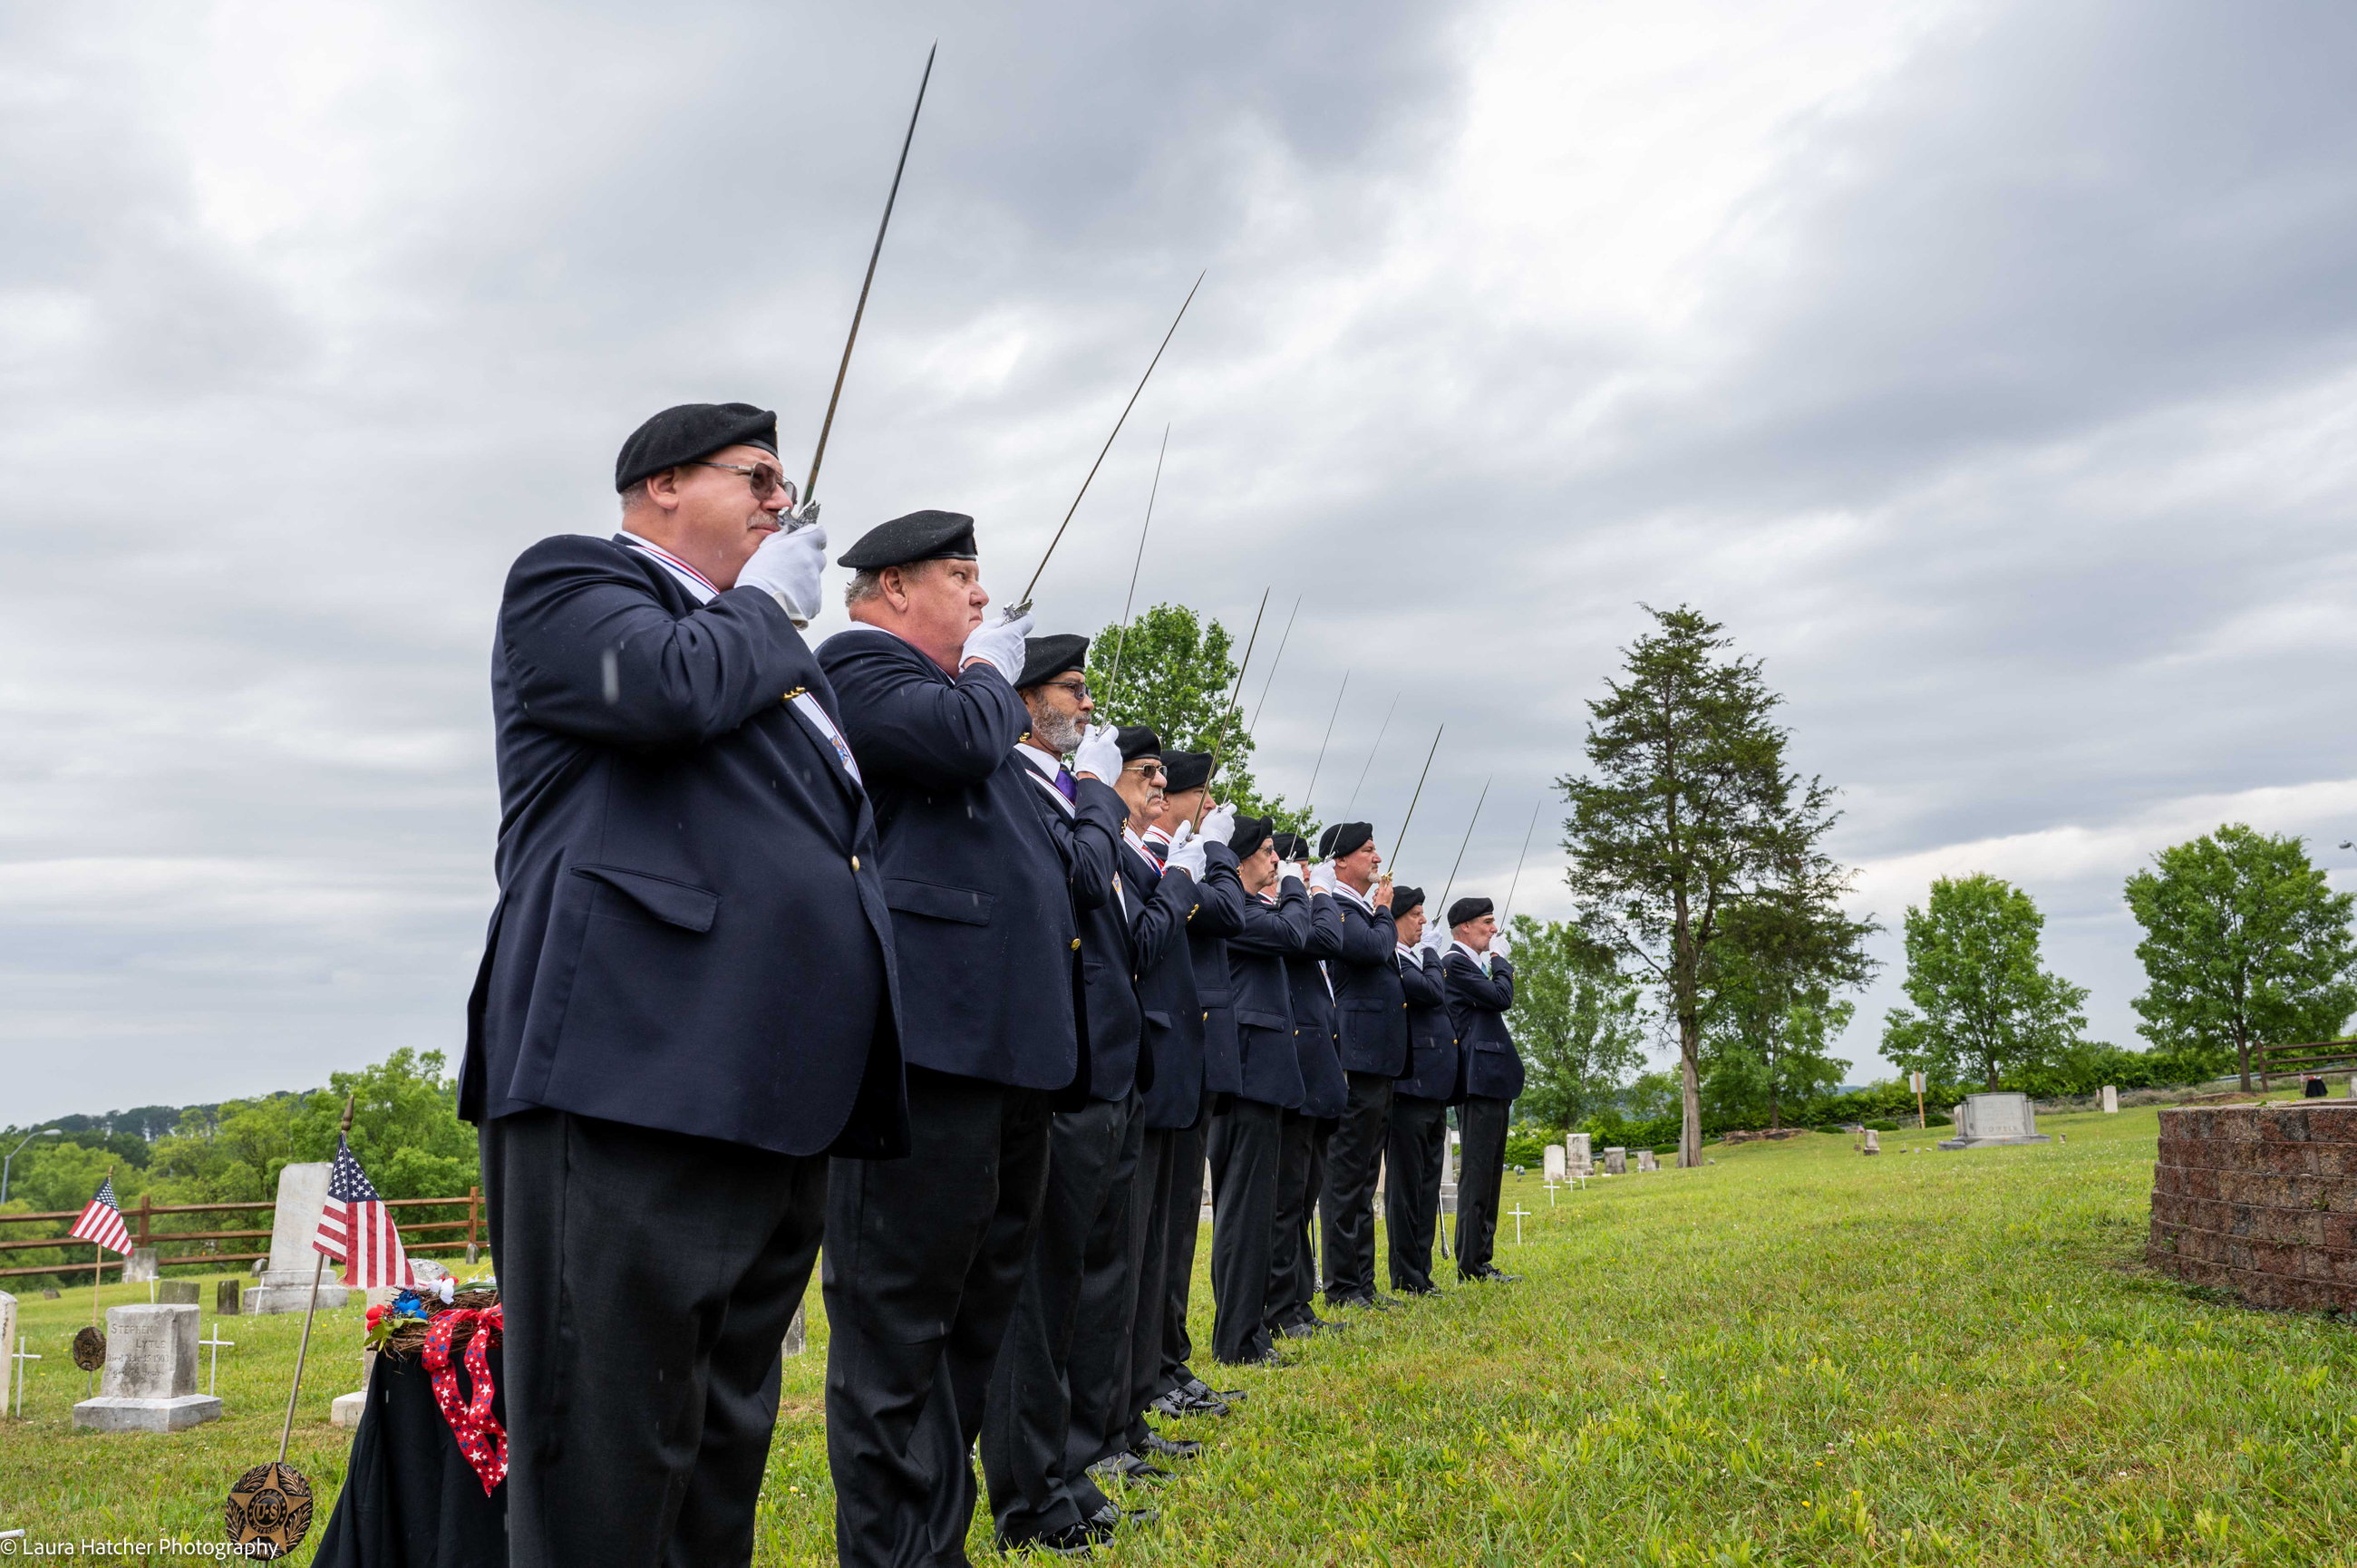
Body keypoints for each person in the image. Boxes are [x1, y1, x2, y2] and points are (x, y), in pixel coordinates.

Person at [464, 402, 902, 1568]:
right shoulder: (575, 582)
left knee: (719, 1433)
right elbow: (657, 689)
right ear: (662, 483)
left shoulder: (768, 653)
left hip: (764, 1084)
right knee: (608, 1448)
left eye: (785, 487)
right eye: (758, 477)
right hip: (628, 1066)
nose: (781, 504)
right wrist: (764, 604)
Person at [814, 509, 1080, 1568]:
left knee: (973, 1318)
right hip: (925, 1051)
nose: (981, 596)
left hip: (1003, 1054)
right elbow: (965, 735)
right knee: (897, 1328)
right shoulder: (858, 668)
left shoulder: (963, 704)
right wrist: (989, 671)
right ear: (887, 588)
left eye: (981, 579)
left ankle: (935, 1541)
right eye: (959, 575)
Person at [981, 638, 1181, 1553]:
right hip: (1059, 1073)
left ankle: (1082, 1454)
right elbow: (1073, 886)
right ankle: (1033, 1485)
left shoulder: (1066, 796)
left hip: (1108, 1067)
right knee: (1041, 1293)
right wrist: (1101, 799)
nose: (1087, 706)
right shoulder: (1020, 788)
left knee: (1094, 1282)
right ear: (1024, 700)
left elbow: (1128, 933)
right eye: (1071, 689)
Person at [1139, 752, 1244, 1418]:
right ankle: (1149, 1371)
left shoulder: (1181, 857)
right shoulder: (1165, 860)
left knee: (1175, 1231)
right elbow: (1226, 911)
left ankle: (1167, 1361)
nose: (1209, 807)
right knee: (1151, 1237)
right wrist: (1206, 857)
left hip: (1188, 1049)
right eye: (1200, 795)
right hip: (1162, 1048)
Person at [1208, 815, 1314, 1366]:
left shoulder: (1253, 909)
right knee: (1242, 1213)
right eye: (1268, 852)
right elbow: (1296, 933)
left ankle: (1249, 1331)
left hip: (1265, 1075)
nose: (1276, 861)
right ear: (1241, 857)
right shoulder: (1240, 913)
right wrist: (1298, 883)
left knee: (1257, 1210)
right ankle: (1236, 1340)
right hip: (1246, 1076)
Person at [1311, 821, 1405, 1311]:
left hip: (1379, 1058)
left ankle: (1363, 1282)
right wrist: (1386, 911)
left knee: (1368, 1173)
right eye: (1367, 850)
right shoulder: (1340, 910)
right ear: (1340, 860)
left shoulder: (1363, 910)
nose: (1376, 856)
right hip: (1355, 1054)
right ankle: (1342, 1285)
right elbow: (1372, 949)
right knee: (1346, 1175)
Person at [1266, 831, 1345, 1340]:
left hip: (1318, 1072)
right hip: (1293, 1072)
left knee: (1305, 1194)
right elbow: (1328, 939)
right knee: (1286, 1199)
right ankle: (1281, 1308)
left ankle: (1299, 1303)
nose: (1311, 875)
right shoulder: (1280, 915)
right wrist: (1313, 893)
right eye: (1301, 867)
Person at [1444, 896, 1526, 1284]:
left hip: (1493, 1080)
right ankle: (1470, 1265)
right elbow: (1500, 997)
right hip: (1476, 1081)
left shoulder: (1469, 964)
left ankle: (1482, 1259)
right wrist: (1500, 961)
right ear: (1465, 927)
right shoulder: (1455, 964)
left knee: (1491, 1176)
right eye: (1487, 922)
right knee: (1476, 1176)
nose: (1494, 930)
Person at [1385, 887, 1458, 1296]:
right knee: (1407, 1188)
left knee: (1428, 1185)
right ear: (1395, 920)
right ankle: (1406, 1274)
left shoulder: (1415, 958)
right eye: (1415, 915)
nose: (1423, 922)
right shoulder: (1397, 959)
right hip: (1409, 1088)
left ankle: (1423, 1270)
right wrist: (1432, 954)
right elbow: (1430, 992)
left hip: (1434, 1088)